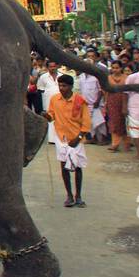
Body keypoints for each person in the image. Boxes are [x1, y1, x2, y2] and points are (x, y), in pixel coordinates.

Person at [44, 74, 92, 207]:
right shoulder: (54, 99)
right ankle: (69, 195)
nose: (61, 88)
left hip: (76, 138)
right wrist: (46, 116)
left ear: (71, 86)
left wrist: (79, 138)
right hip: (61, 137)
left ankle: (79, 196)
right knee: (64, 165)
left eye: (64, 86)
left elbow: (86, 123)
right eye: (59, 85)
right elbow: (51, 116)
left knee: (77, 167)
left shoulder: (79, 101)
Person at [76, 54, 108, 144]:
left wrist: (97, 101)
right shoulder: (81, 77)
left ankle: (102, 139)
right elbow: (81, 90)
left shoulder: (97, 76)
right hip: (86, 103)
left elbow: (101, 90)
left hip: (96, 103)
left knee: (99, 123)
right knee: (89, 122)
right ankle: (93, 138)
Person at [105, 59, 130, 152]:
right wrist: (106, 103)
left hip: (123, 101)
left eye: (117, 68)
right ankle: (115, 144)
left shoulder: (126, 78)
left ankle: (127, 143)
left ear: (121, 68)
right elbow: (106, 92)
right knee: (114, 123)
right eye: (113, 68)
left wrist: (126, 105)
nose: (115, 70)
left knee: (124, 123)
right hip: (112, 102)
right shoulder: (108, 78)